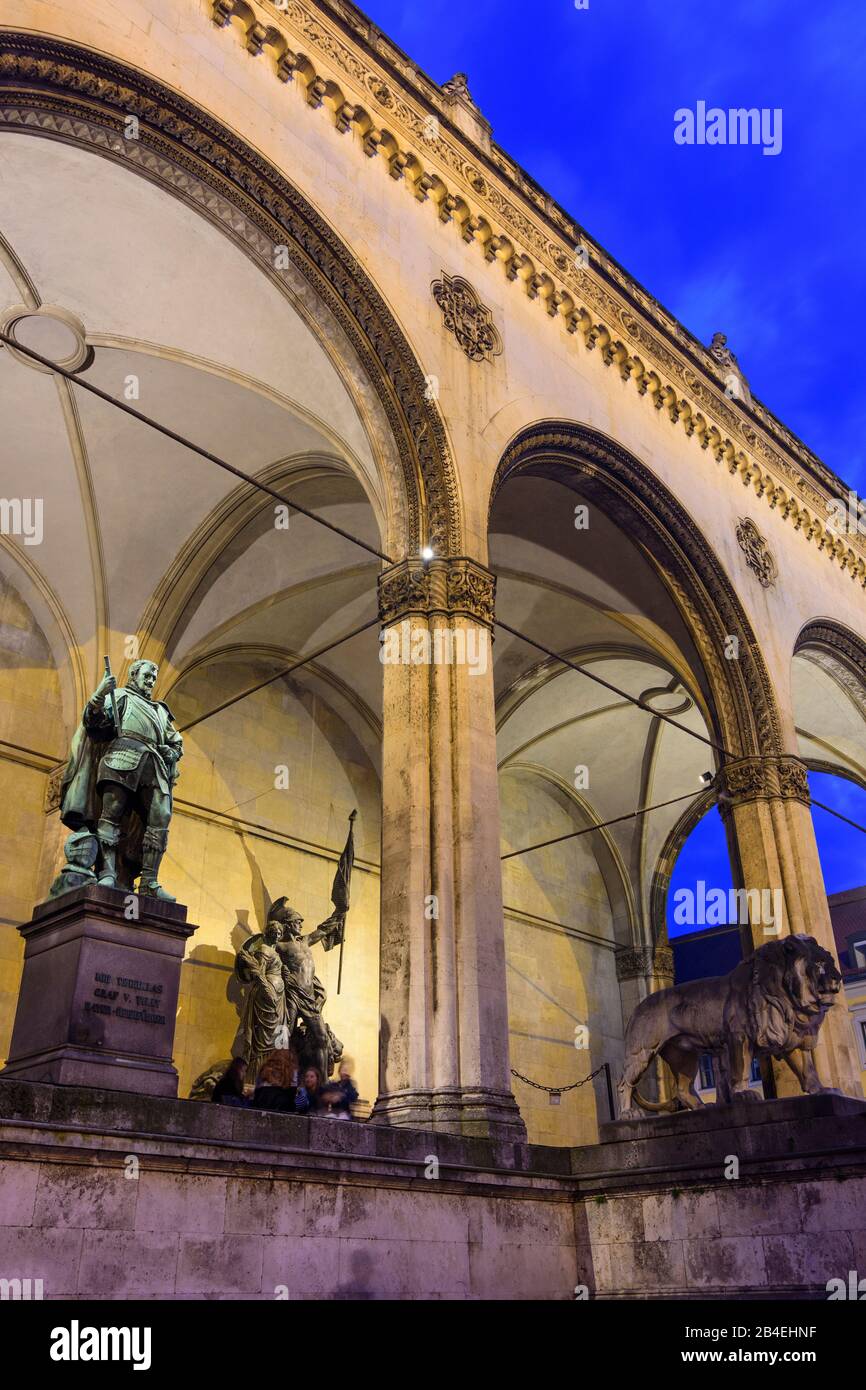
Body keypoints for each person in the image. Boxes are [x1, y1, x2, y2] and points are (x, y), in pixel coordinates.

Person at [59, 658, 183, 900]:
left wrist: (173, 751)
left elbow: (175, 741)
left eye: (153, 678)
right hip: (122, 756)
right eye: (147, 675)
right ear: (134, 675)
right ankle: (107, 871)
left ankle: (149, 882)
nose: (151, 681)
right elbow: (93, 721)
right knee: (112, 813)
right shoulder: (119, 696)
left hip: (153, 762)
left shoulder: (160, 710)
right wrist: (99, 694)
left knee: (161, 816)